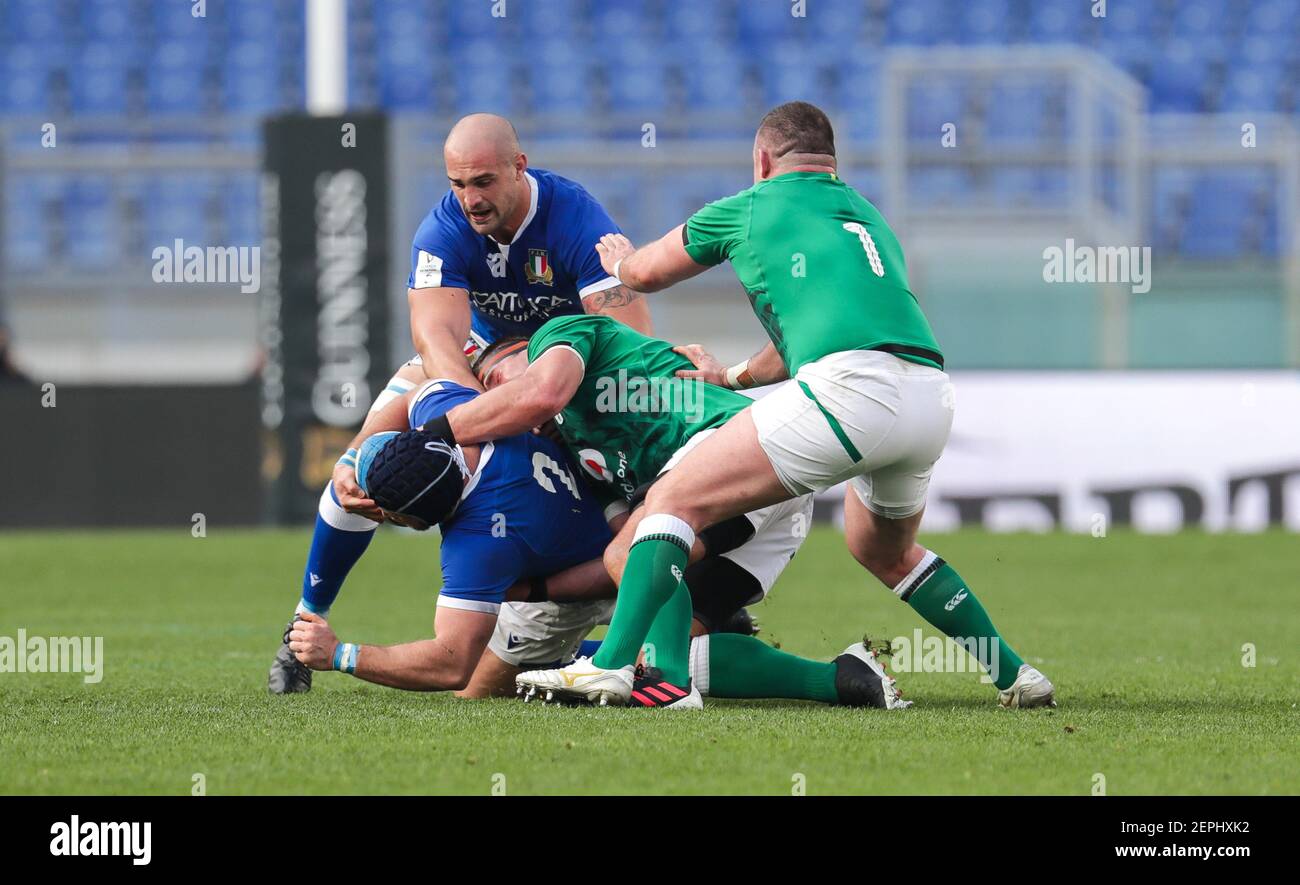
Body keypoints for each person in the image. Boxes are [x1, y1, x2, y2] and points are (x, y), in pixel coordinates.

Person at [484, 101, 1054, 709]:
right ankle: (1016, 675)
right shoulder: (868, 218)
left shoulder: (752, 206)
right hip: (928, 396)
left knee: (672, 500)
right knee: (881, 549)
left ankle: (622, 668)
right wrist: (729, 375)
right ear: (830, 160)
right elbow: (797, 341)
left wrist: (618, 259)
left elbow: (647, 274)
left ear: (761, 159)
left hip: (852, 389)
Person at [270, 113, 650, 693]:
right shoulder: (442, 230)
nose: (470, 199)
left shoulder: (574, 218)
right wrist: (479, 413)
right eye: (458, 184)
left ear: (519, 168)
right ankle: (303, 623)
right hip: (478, 367)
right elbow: (435, 340)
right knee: (353, 475)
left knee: (638, 515)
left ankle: (678, 623)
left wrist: (553, 398)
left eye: (484, 182)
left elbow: (630, 339)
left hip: (572, 376)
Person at [449, 319, 906, 709]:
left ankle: (656, 684)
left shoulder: (564, 333)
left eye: (496, 381)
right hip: (771, 502)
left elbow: (545, 390)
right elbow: (624, 553)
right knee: (659, 627)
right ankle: (843, 679)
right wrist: (539, 589)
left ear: (525, 351)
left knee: (628, 555)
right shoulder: (582, 450)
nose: (500, 399)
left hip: (738, 445)